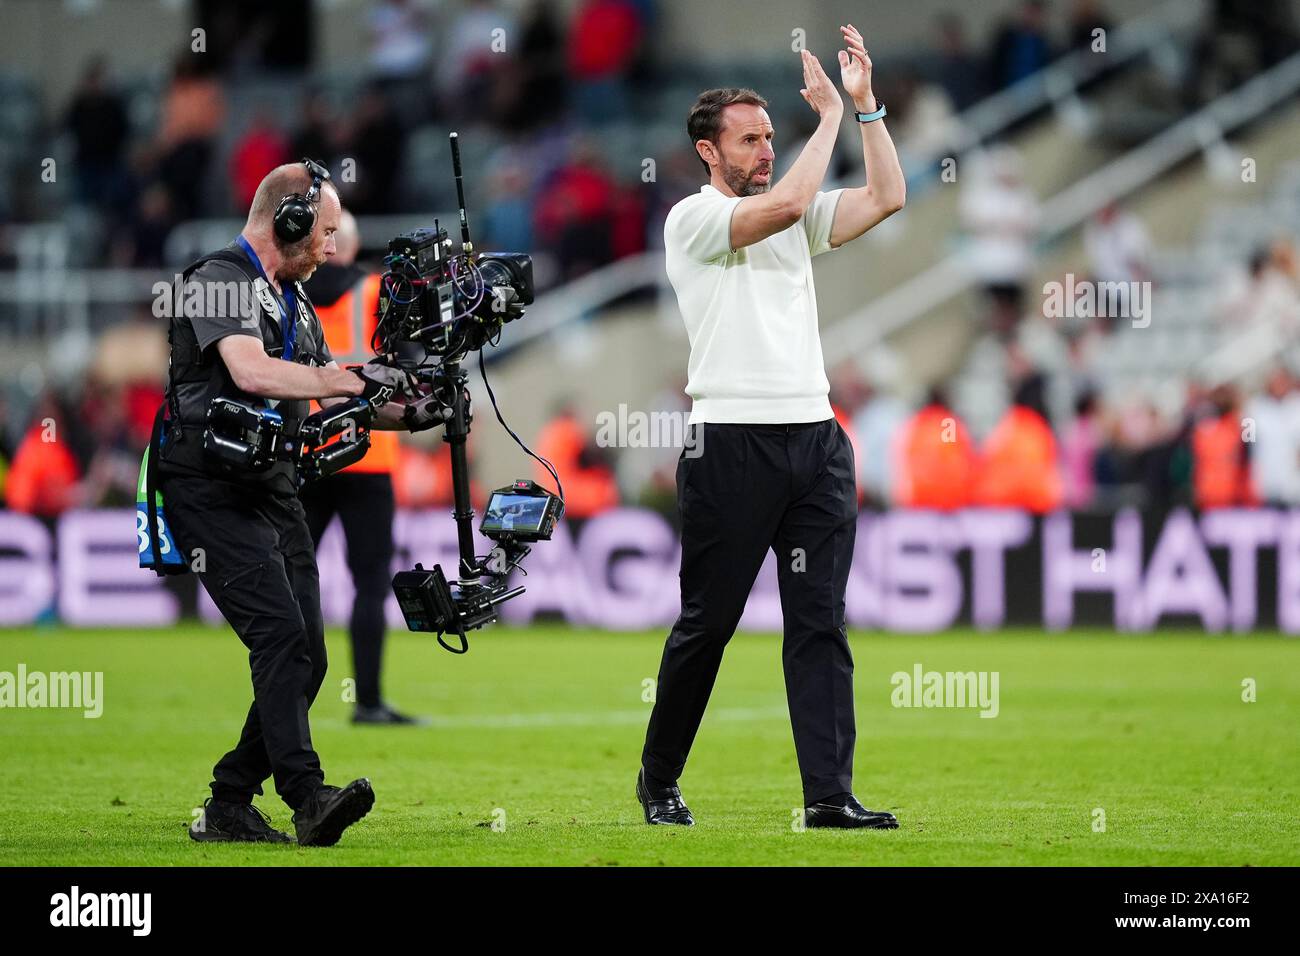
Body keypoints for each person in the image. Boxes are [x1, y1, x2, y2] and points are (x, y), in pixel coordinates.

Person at [638, 24, 906, 830]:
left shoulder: (788, 213)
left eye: (769, 136)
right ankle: (658, 778)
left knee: (821, 624)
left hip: (816, 441)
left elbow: (888, 196)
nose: (764, 149)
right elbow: (791, 198)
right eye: (750, 139)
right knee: (708, 625)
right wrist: (825, 121)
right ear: (707, 152)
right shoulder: (691, 219)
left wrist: (864, 109)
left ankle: (829, 795)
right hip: (730, 444)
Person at [158, 160, 449, 845]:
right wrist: (343, 375)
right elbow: (251, 370)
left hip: (272, 483)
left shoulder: (294, 302)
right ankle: (306, 795)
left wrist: (425, 406)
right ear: (285, 220)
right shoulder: (218, 280)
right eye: (321, 231)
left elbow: (334, 395)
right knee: (281, 639)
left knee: (309, 657)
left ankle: (229, 801)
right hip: (209, 485)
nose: (330, 246)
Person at [301, 209, 426, 725]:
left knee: (295, 577)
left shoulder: (290, 293)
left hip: (306, 449)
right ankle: (368, 701)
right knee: (369, 582)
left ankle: (288, 698)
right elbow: (411, 363)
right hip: (369, 452)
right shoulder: (378, 290)